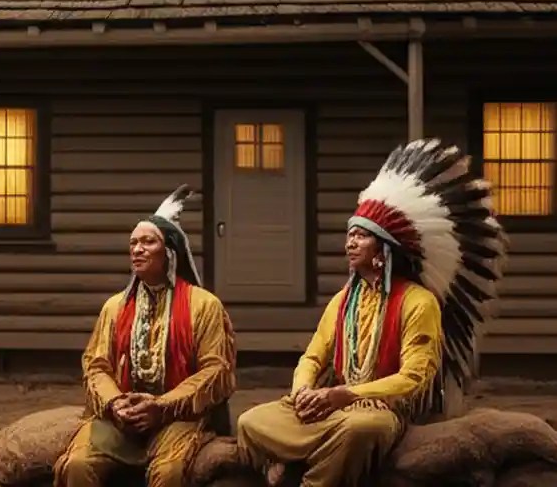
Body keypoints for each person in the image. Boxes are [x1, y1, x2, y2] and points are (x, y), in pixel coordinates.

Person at [235, 138, 509, 487]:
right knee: (251, 421)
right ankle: (322, 452)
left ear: (384, 249)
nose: (350, 242)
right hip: (331, 405)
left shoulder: (418, 302)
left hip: (380, 409)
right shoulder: (343, 301)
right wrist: (303, 391)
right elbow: (312, 356)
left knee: (359, 429)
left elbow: (414, 377)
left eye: (361, 236)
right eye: (349, 235)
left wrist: (347, 395)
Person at [54, 185, 238, 487]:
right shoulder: (115, 307)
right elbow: (97, 365)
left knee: (168, 473)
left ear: (169, 253)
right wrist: (115, 404)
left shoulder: (203, 305)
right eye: (133, 243)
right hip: (122, 414)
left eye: (147, 242)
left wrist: (161, 405)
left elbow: (216, 369)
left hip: (177, 416)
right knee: (76, 465)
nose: (137, 249)